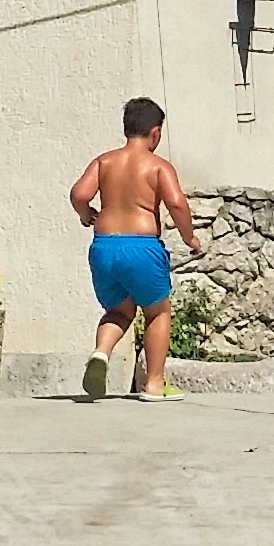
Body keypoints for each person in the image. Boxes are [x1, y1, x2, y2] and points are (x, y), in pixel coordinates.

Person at [69, 95, 201, 399]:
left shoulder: (105, 161)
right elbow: (177, 204)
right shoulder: (157, 166)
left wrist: (85, 214)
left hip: (104, 247)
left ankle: (101, 353)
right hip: (141, 247)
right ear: (155, 133)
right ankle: (154, 384)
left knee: (118, 310)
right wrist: (189, 238)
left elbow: (79, 193)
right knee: (157, 312)